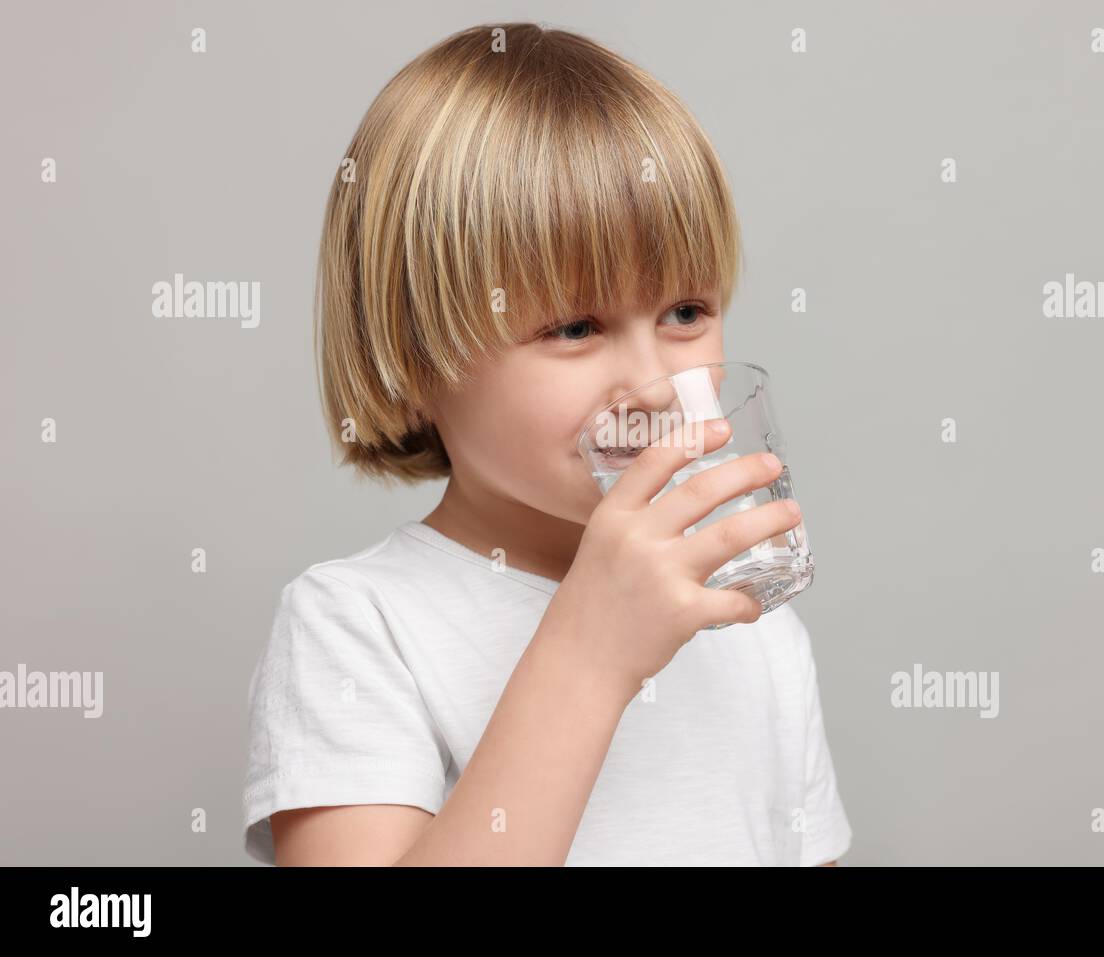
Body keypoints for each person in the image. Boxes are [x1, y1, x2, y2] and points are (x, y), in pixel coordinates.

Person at [241, 21, 851, 866]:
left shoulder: (752, 629)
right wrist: (591, 654)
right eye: (574, 326)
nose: (650, 381)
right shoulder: (356, 628)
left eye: (684, 313)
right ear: (418, 359)